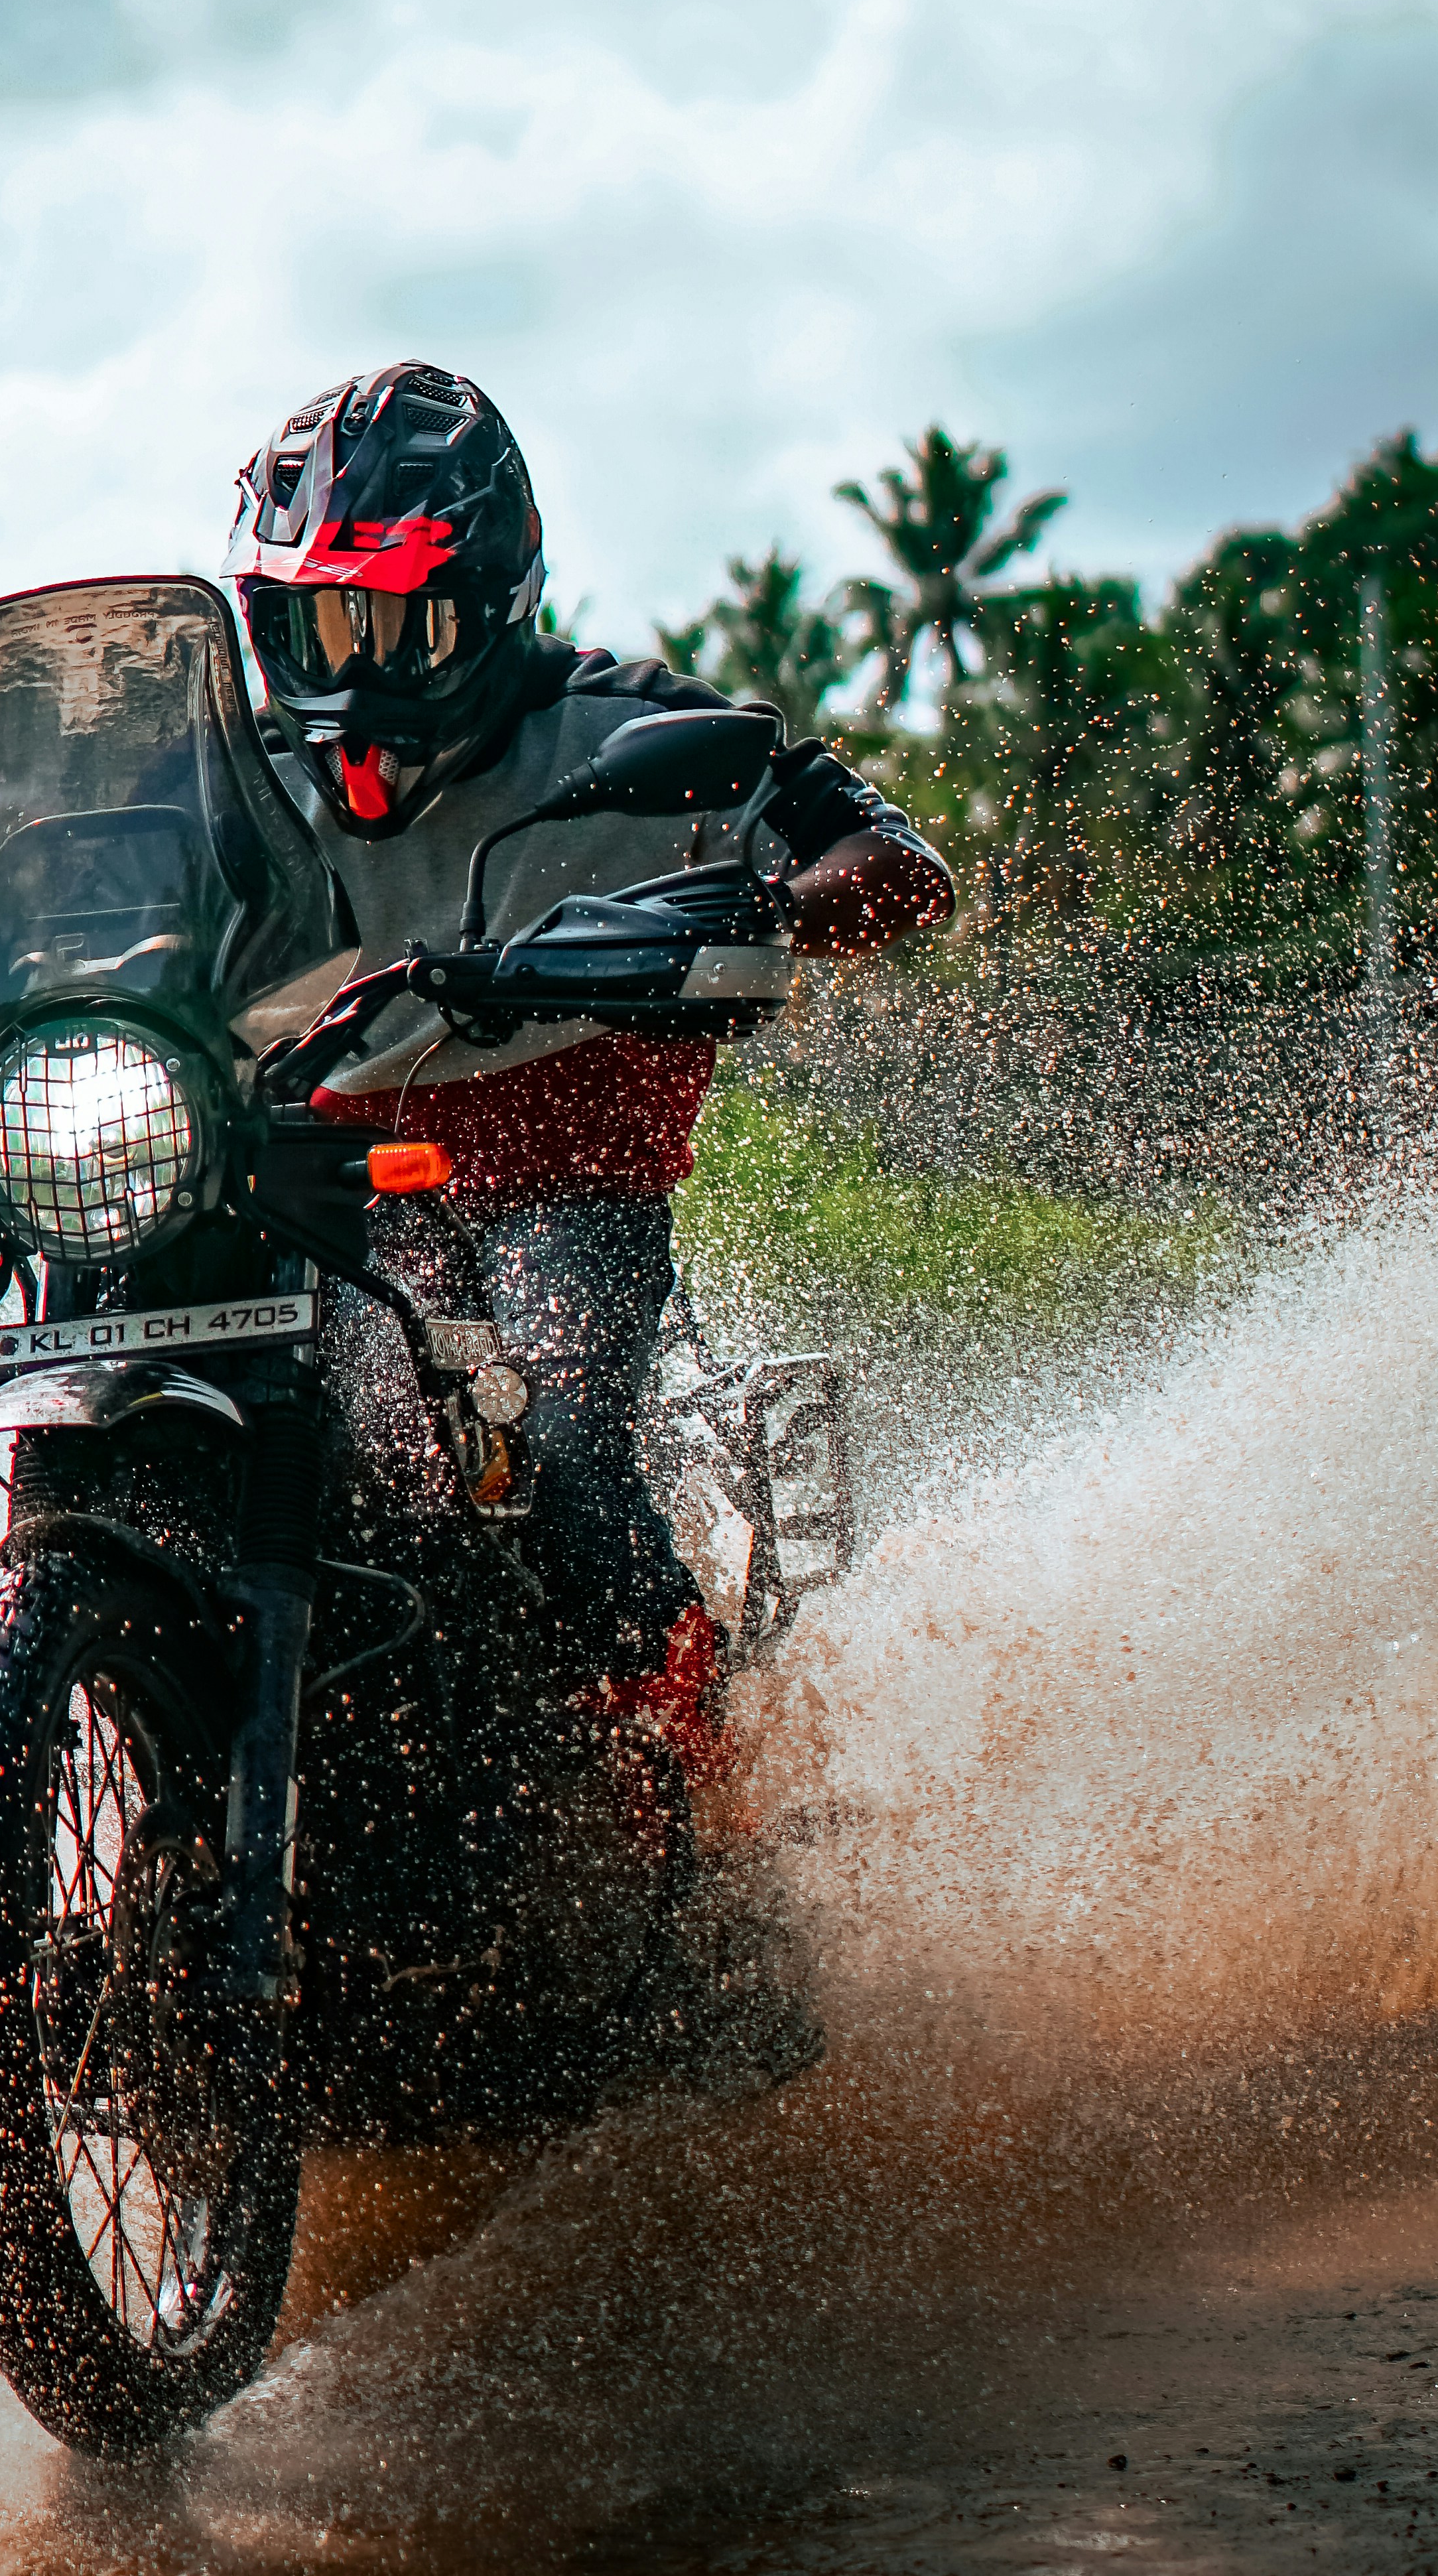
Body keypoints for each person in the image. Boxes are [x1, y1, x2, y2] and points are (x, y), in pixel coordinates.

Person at [228, 356, 952, 1775]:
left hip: (564, 1180)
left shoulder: (639, 732)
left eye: (402, 624)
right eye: (317, 624)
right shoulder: (226, 772)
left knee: (552, 1457)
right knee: (243, 1438)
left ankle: (694, 1769)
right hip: (314, 1188)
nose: (357, 669)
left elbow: (899, 869)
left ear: (494, 605)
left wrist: (766, 909)